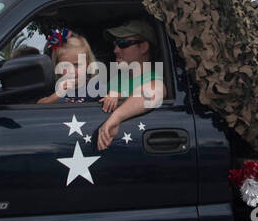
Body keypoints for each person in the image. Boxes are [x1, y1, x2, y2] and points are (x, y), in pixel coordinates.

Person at [97, 19, 167, 149]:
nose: (116, 50)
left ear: (144, 47)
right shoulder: (115, 79)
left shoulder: (153, 78)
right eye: (115, 43)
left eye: (123, 43)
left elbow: (151, 95)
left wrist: (116, 117)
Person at [38, 30, 102, 103]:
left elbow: (115, 96)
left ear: (88, 65)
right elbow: (39, 106)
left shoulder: (94, 86)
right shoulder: (55, 87)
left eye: (77, 65)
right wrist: (57, 95)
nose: (72, 71)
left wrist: (112, 97)